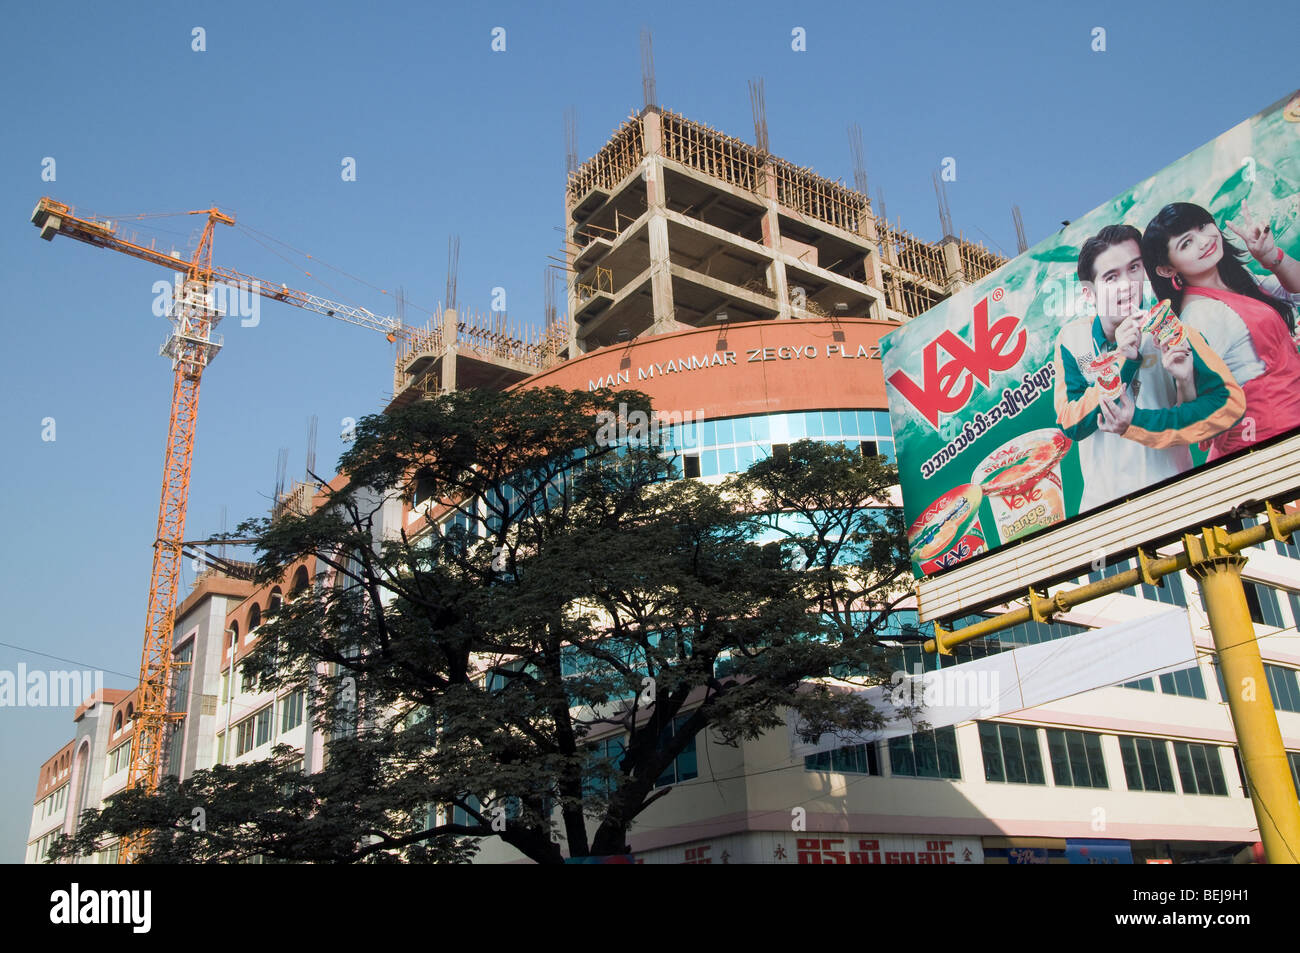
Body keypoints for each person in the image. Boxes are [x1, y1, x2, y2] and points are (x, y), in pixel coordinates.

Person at [1054, 224, 1244, 511]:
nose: (1127, 284)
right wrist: (1122, 360)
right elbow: (1072, 425)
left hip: (1178, 505)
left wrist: (1147, 416)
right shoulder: (1072, 339)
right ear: (1089, 293)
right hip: (1104, 519)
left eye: (1134, 268)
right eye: (1111, 277)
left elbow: (1228, 404)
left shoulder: (1176, 328)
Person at [1142, 201, 1300, 459]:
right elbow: (1199, 415)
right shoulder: (1201, 316)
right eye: (1186, 243)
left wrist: (1272, 257)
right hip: (1266, 446)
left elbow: (1296, 292)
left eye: (1203, 226)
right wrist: (1183, 379)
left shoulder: (1236, 278)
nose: (1204, 241)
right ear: (1167, 269)